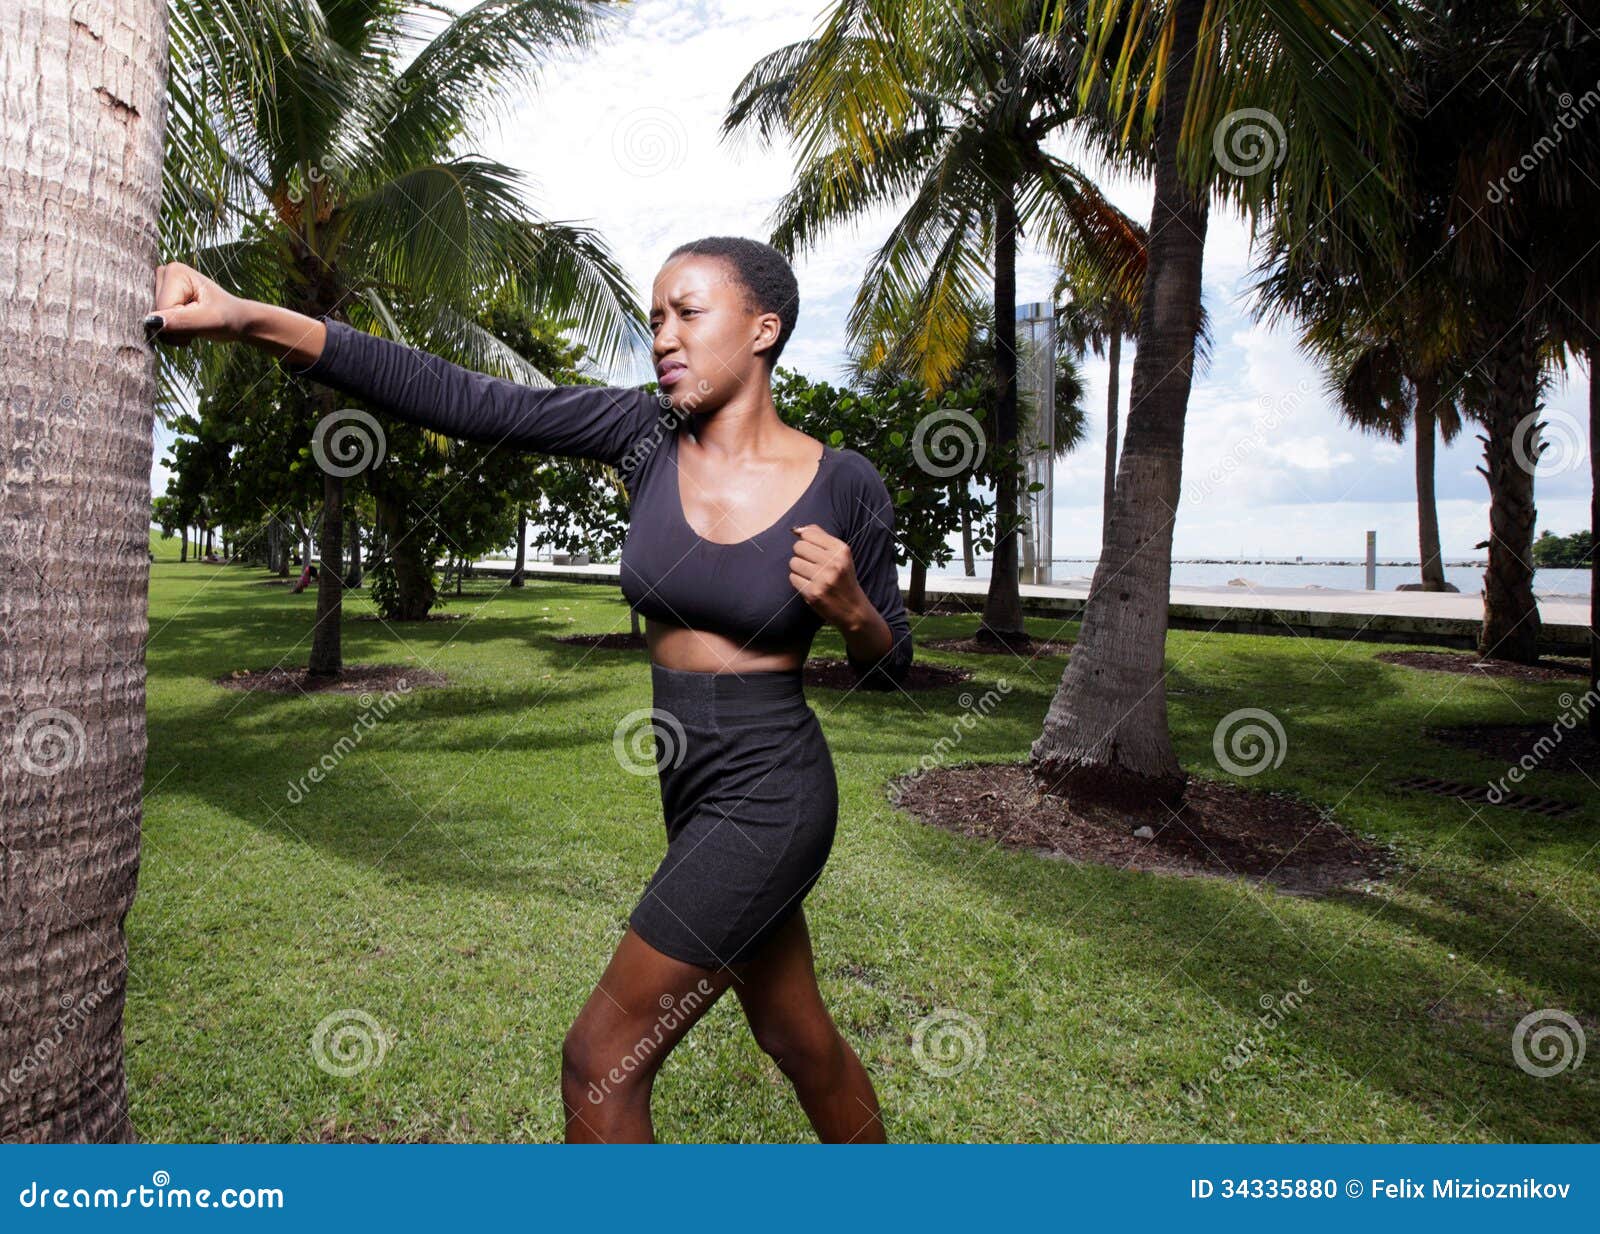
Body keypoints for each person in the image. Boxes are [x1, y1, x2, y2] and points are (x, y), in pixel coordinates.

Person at [145, 235, 912, 1144]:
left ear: (763, 329)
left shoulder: (843, 483)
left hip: (772, 791)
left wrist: (854, 609)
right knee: (794, 1033)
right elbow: (464, 397)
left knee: (599, 1062)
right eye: (654, 316)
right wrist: (247, 319)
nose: (662, 335)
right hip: (689, 784)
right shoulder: (643, 438)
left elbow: (889, 664)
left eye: (688, 313)